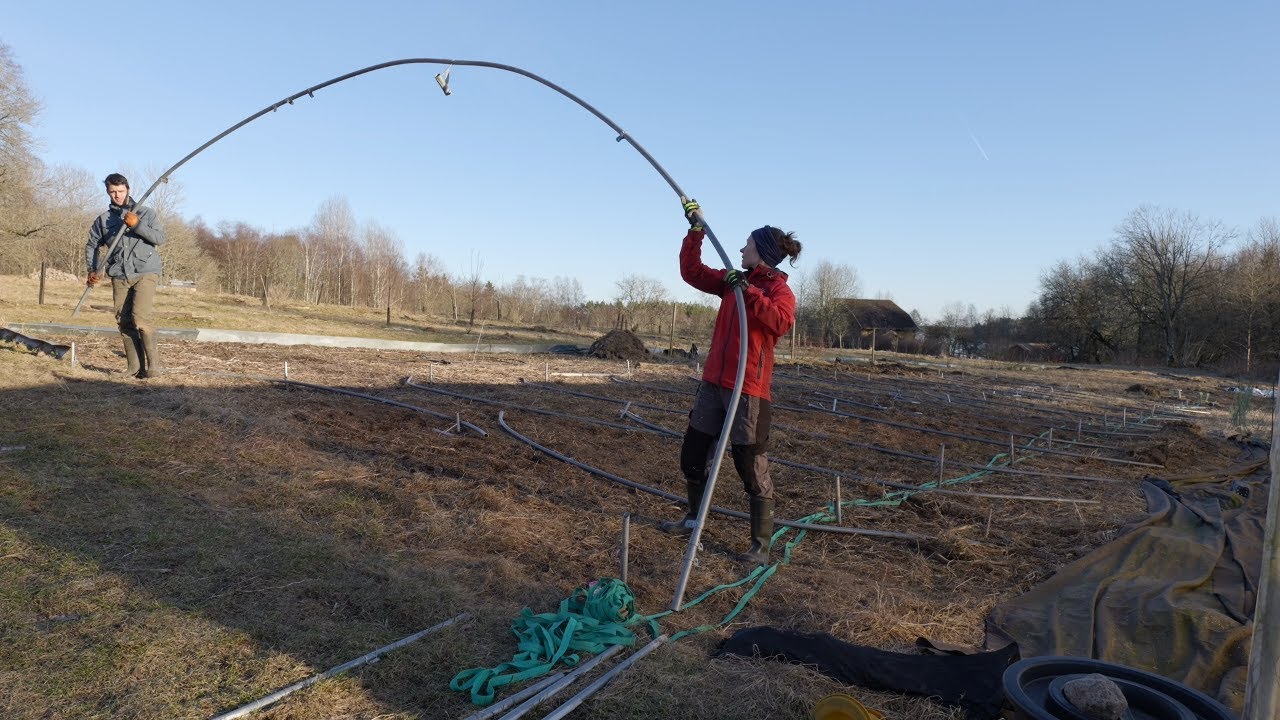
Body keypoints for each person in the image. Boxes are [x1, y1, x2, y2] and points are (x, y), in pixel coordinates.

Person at [660, 197, 802, 566]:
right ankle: (693, 519)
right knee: (693, 456)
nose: (741, 249)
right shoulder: (730, 282)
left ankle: (760, 544)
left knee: (750, 464)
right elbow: (692, 272)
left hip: (748, 390)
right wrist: (696, 231)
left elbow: (780, 323)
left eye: (748, 245)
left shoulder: (778, 291)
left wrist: (749, 293)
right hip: (713, 384)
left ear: (762, 252)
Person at [85, 173, 166, 378]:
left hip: (145, 271)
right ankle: (134, 368)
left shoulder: (146, 213)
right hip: (119, 274)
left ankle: (154, 368)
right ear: (107, 192)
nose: (117, 195)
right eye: (113, 191)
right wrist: (93, 269)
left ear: (128, 190)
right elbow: (92, 245)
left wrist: (137, 225)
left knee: (140, 318)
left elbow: (159, 238)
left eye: (121, 191)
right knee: (124, 321)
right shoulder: (103, 220)